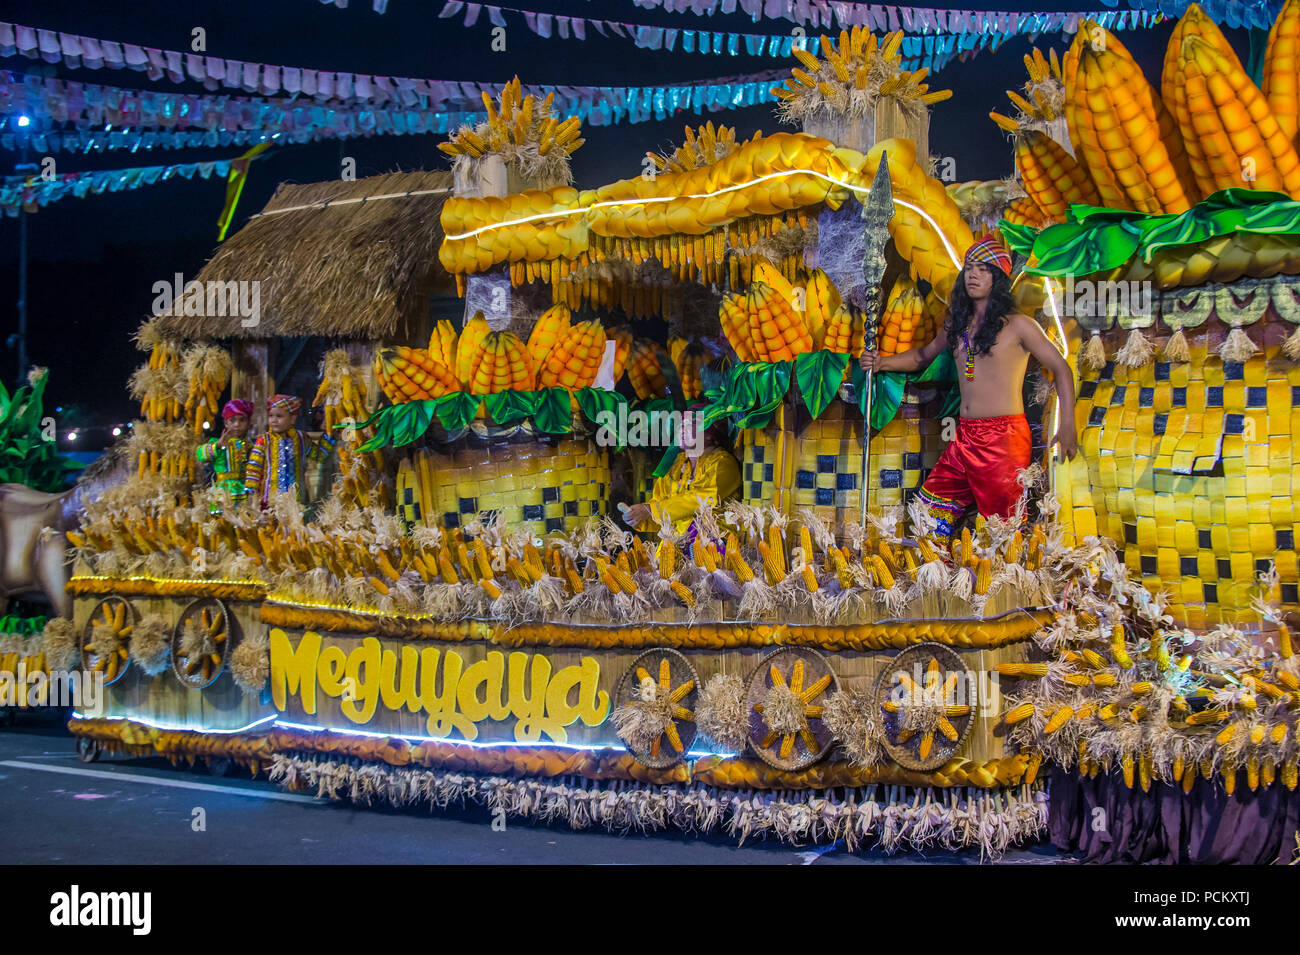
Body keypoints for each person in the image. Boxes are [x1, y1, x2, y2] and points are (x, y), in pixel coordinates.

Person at [860, 236, 1078, 538]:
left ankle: (1004, 585)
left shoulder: (1018, 325)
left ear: (998, 278)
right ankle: (946, 581)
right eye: (969, 269)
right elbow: (923, 356)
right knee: (928, 518)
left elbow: (1061, 369)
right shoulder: (957, 324)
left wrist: (1067, 424)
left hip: (1004, 439)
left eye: (983, 269)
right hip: (965, 436)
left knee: (1002, 530)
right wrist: (880, 363)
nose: (973, 275)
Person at [622, 410, 740, 537]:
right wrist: (639, 517)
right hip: (676, 544)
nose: (683, 429)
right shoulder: (675, 464)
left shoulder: (723, 463)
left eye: (691, 424)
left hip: (713, 544)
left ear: (710, 434)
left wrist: (651, 510)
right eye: (681, 425)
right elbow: (659, 503)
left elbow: (702, 499)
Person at [244, 394, 335, 509]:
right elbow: (254, 468)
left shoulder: (301, 439)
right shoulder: (264, 440)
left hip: (295, 501)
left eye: (279, 416)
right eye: (270, 416)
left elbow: (318, 455)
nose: (274, 420)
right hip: (268, 502)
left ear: (293, 419)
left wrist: (329, 434)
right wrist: (251, 493)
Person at [196, 399, 254, 507]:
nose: (237, 424)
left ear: (249, 422)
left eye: (242, 420)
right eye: (232, 420)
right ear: (225, 423)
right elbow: (200, 455)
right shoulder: (216, 443)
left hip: (244, 492)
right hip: (221, 494)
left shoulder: (250, 444)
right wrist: (217, 445)